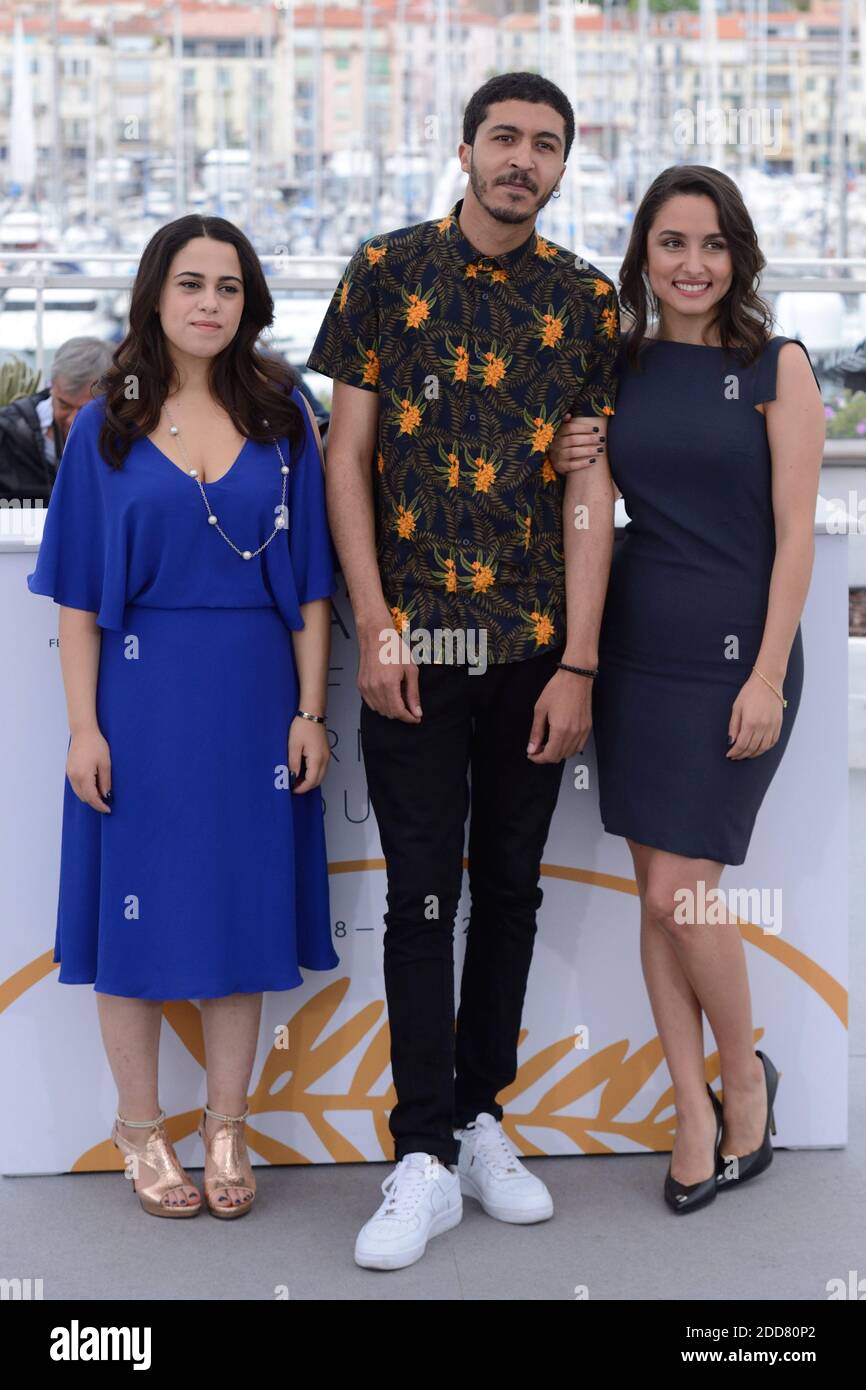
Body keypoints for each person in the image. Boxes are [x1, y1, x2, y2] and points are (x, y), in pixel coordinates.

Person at [306, 71, 619, 1269]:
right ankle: (420, 1153)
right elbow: (349, 463)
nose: (521, 160)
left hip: (534, 647)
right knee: (419, 895)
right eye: (504, 138)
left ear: (558, 166)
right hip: (417, 647)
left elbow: (587, 487)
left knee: (514, 890)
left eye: (544, 146)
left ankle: (484, 1118)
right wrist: (374, 624)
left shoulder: (586, 299)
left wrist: (579, 661)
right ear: (464, 147)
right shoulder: (385, 273)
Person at [27, 215, 339, 1220]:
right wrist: (83, 726)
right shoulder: (110, 414)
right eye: (191, 282)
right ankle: (139, 1126)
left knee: (237, 916)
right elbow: (76, 596)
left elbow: (312, 587)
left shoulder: (282, 408)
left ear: (248, 303)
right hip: (139, 695)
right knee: (138, 923)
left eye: (229, 286)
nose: (209, 302)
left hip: (253, 700)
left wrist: (308, 710)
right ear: (155, 295)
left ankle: (226, 1124)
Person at [550, 165, 825, 1214]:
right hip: (633, 655)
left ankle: (743, 1078)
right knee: (654, 901)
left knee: (682, 892)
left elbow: (795, 535)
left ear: (735, 254)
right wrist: (575, 450)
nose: (692, 264)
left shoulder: (774, 365)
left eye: (710, 245)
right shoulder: (616, 365)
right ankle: (689, 1108)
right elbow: (594, 505)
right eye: (671, 244)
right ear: (644, 256)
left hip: (732, 659)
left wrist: (762, 673)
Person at [0, 337, 114, 503]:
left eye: (86, 410)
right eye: (64, 405)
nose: (73, 419)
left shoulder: (126, 437)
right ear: (52, 386)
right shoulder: (7, 434)